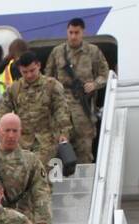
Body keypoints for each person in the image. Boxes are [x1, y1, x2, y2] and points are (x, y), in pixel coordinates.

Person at [45, 17, 111, 164]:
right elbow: (47, 77)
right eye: (71, 32)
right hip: (61, 109)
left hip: (83, 109)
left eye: (77, 33)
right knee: (59, 150)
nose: (73, 36)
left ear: (83, 33)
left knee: (84, 151)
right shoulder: (57, 52)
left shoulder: (93, 51)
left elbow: (105, 74)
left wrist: (94, 84)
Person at [0, 50, 71, 170]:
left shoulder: (52, 85)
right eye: (25, 72)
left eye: (32, 70)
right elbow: (3, 110)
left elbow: (61, 110)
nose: (29, 75)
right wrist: (2, 131)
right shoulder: (14, 89)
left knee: (40, 172)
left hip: (47, 141)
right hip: (22, 142)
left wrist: (64, 133)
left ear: (39, 66)